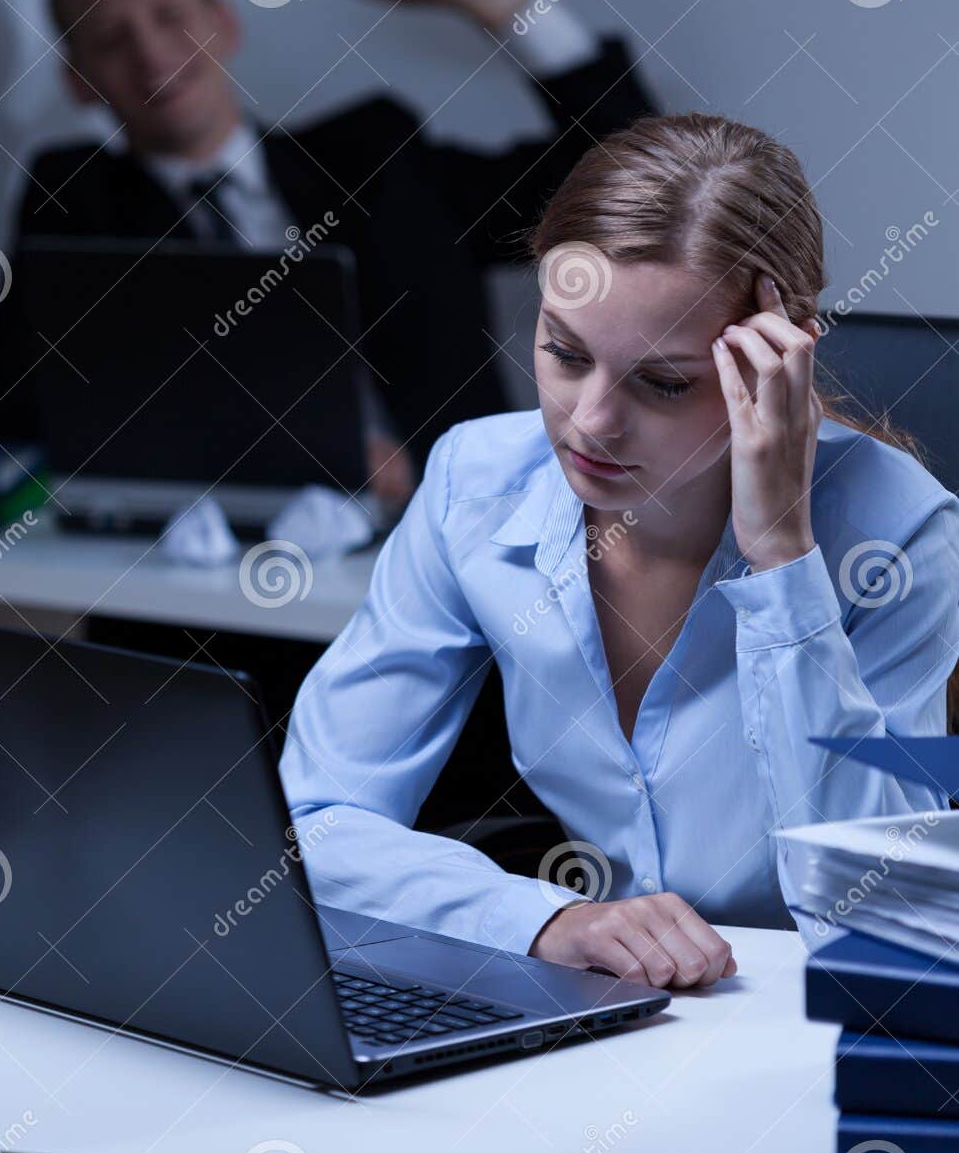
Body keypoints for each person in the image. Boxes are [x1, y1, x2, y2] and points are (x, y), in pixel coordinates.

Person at [279, 112, 959, 991]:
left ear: (773, 356)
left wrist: (783, 559)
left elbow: (880, 912)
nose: (589, 423)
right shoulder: (473, 483)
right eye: (564, 352)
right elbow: (318, 819)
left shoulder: (896, 531)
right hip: (601, 1001)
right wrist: (544, 918)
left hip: (814, 1024)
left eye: (661, 381)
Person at [0, 0, 655, 496]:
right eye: (110, 41)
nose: (151, 54)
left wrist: (494, 0)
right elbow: (7, 424)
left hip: (452, 563)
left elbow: (634, 183)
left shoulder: (376, 159)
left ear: (223, 25)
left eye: (170, 16)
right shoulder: (74, 206)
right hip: (197, 598)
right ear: (78, 82)